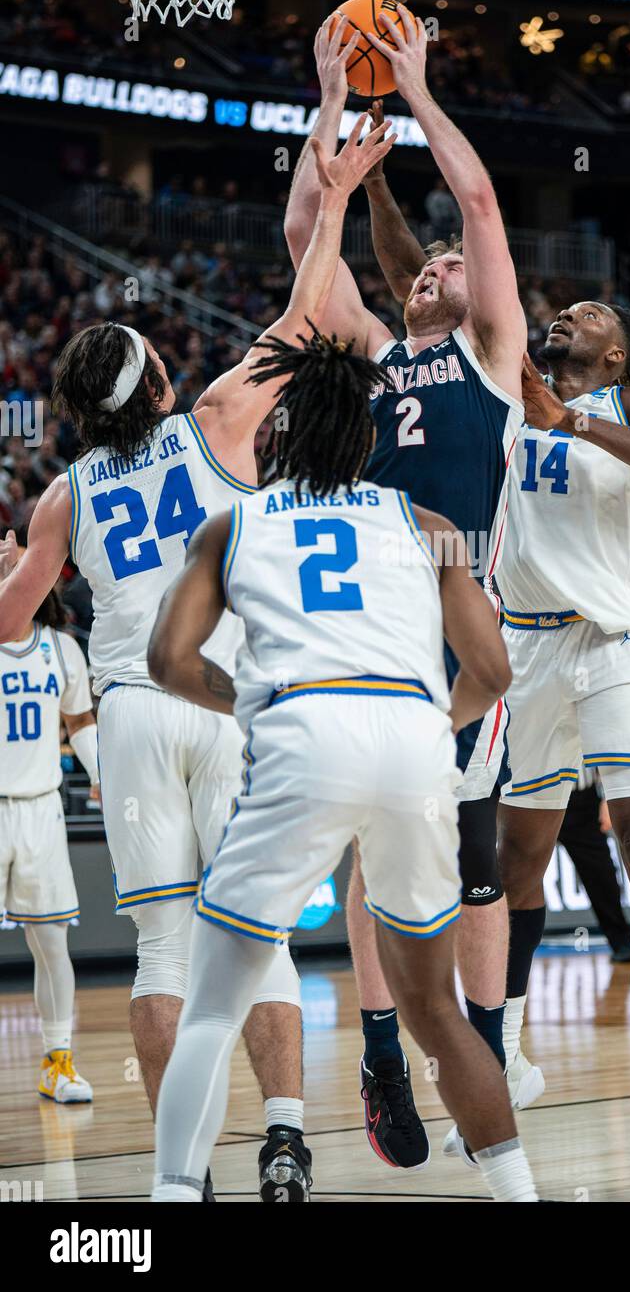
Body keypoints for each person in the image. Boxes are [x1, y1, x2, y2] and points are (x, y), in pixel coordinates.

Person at [0, 115, 395, 1200]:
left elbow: (9, 621)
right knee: (257, 936)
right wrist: (334, 187)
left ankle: (186, 1173)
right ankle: (280, 1136)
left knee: (164, 953)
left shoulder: (59, 496)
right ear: (161, 386)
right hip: (226, 703)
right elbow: (305, 311)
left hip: (129, 712)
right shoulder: (218, 419)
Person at [146, 332, 540, 1204]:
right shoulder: (425, 525)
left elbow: (168, 659)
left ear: (278, 437)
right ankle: (521, 1195)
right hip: (411, 742)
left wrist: (248, 702)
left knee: (212, 1007)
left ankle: (172, 1197)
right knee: (436, 1010)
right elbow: (495, 672)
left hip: (302, 727)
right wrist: (430, 728)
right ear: (367, 443)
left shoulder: (234, 522)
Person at [284, 11, 526, 1166]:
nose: (434, 265)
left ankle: (475, 1039)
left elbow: (476, 209)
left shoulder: (488, 349)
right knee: (370, 853)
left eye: (442, 267)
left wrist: (420, 89)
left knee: (470, 862)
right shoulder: (379, 351)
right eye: (420, 265)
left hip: (458, 591)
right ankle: (384, 1047)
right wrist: (328, 102)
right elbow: (305, 245)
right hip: (377, 600)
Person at [494, 303, 630, 1177]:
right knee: (514, 864)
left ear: (615, 353)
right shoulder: (509, 388)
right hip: (526, 646)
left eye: (583, 313)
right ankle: (505, 1059)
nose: (560, 315)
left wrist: (572, 421)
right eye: (558, 310)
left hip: (614, 642)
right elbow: (415, 287)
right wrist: (386, 180)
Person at [0, 574, 99, 1103]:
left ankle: (58, 1061)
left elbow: (79, 719)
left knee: (52, 943)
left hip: (40, 809)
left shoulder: (61, 649)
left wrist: (102, 769)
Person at [556, 772, 630, 962]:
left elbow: (603, 746)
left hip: (582, 799)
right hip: (533, 795)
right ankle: (510, 952)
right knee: (519, 880)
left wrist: (608, 796)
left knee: (602, 875)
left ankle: (621, 942)